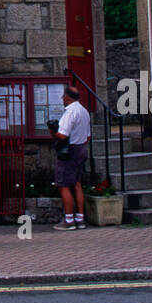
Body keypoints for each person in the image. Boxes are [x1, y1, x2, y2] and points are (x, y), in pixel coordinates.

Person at [52, 85, 91, 230]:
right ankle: (80, 219)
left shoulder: (70, 112)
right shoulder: (84, 111)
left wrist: (53, 131)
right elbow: (88, 137)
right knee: (77, 183)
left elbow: (63, 135)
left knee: (63, 184)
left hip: (70, 150)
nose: (62, 99)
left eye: (63, 96)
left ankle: (69, 220)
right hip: (81, 148)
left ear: (68, 97)